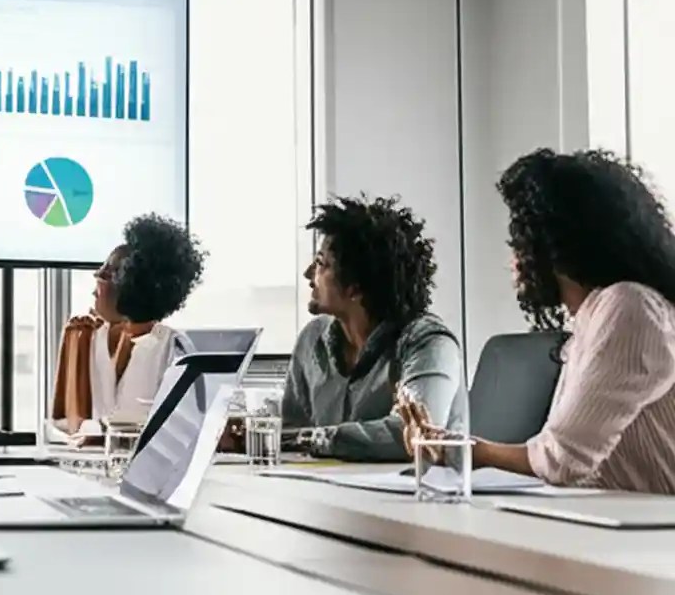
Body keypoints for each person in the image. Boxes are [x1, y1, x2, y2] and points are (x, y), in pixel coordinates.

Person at [403, 149, 675, 494]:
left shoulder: (629, 307)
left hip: (647, 538)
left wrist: (458, 449)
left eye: (518, 240)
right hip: (609, 523)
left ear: (554, 244)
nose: (513, 259)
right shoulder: (596, 318)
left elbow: (561, 460)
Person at [282, 195, 467, 462]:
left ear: (355, 286)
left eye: (322, 263)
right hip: (330, 491)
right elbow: (290, 430)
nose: (309, 273)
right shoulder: (312, 340)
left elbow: (414, 434)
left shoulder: (429, 343)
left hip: (421, 496)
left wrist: (309, 439)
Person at [51, 213, 206, 436]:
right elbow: (63, 423)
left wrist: (97, 431)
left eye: (107, 273)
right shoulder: (85, 335)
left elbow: (183, 426)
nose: (96, 275)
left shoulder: (174, 349)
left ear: (130, 284)